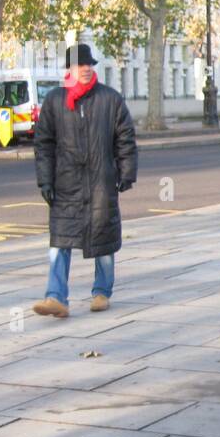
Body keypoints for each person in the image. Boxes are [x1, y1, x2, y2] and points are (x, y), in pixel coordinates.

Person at [32, 43, 137, 318]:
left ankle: (102, 292)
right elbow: (44, 144)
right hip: (65, 184)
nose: (87, 69)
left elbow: (125, 139)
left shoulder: (110, 99)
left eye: (90, 64)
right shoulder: (55, 101)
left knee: (103, 240)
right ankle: (55, 297)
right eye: (81, 65)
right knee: (59, 241)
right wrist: (45, 181)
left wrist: (126, 173)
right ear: (70, 69)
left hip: (101, 183)